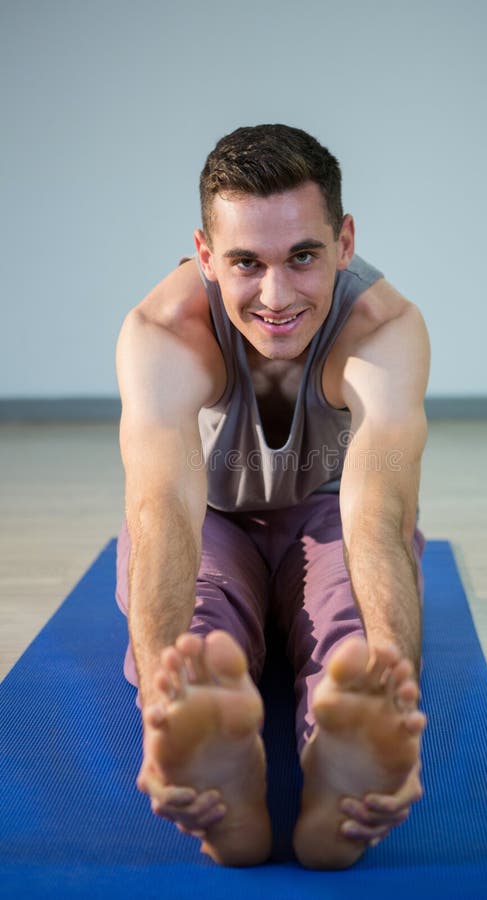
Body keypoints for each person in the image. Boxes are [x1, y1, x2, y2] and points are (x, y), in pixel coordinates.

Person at [114, 124, 430, 870]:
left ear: (345, 242)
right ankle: (217, 764)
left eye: (304, 257)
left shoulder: (385, 330)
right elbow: (163, 510)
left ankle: (342, 769)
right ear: (204, 255)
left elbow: (377, 519)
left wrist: (395, 689)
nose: (277, 295)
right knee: (198, 629)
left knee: (352, 628)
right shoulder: (163, 332)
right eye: (246, 263)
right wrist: (163, 704)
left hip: (327, 510)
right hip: (213, 515)